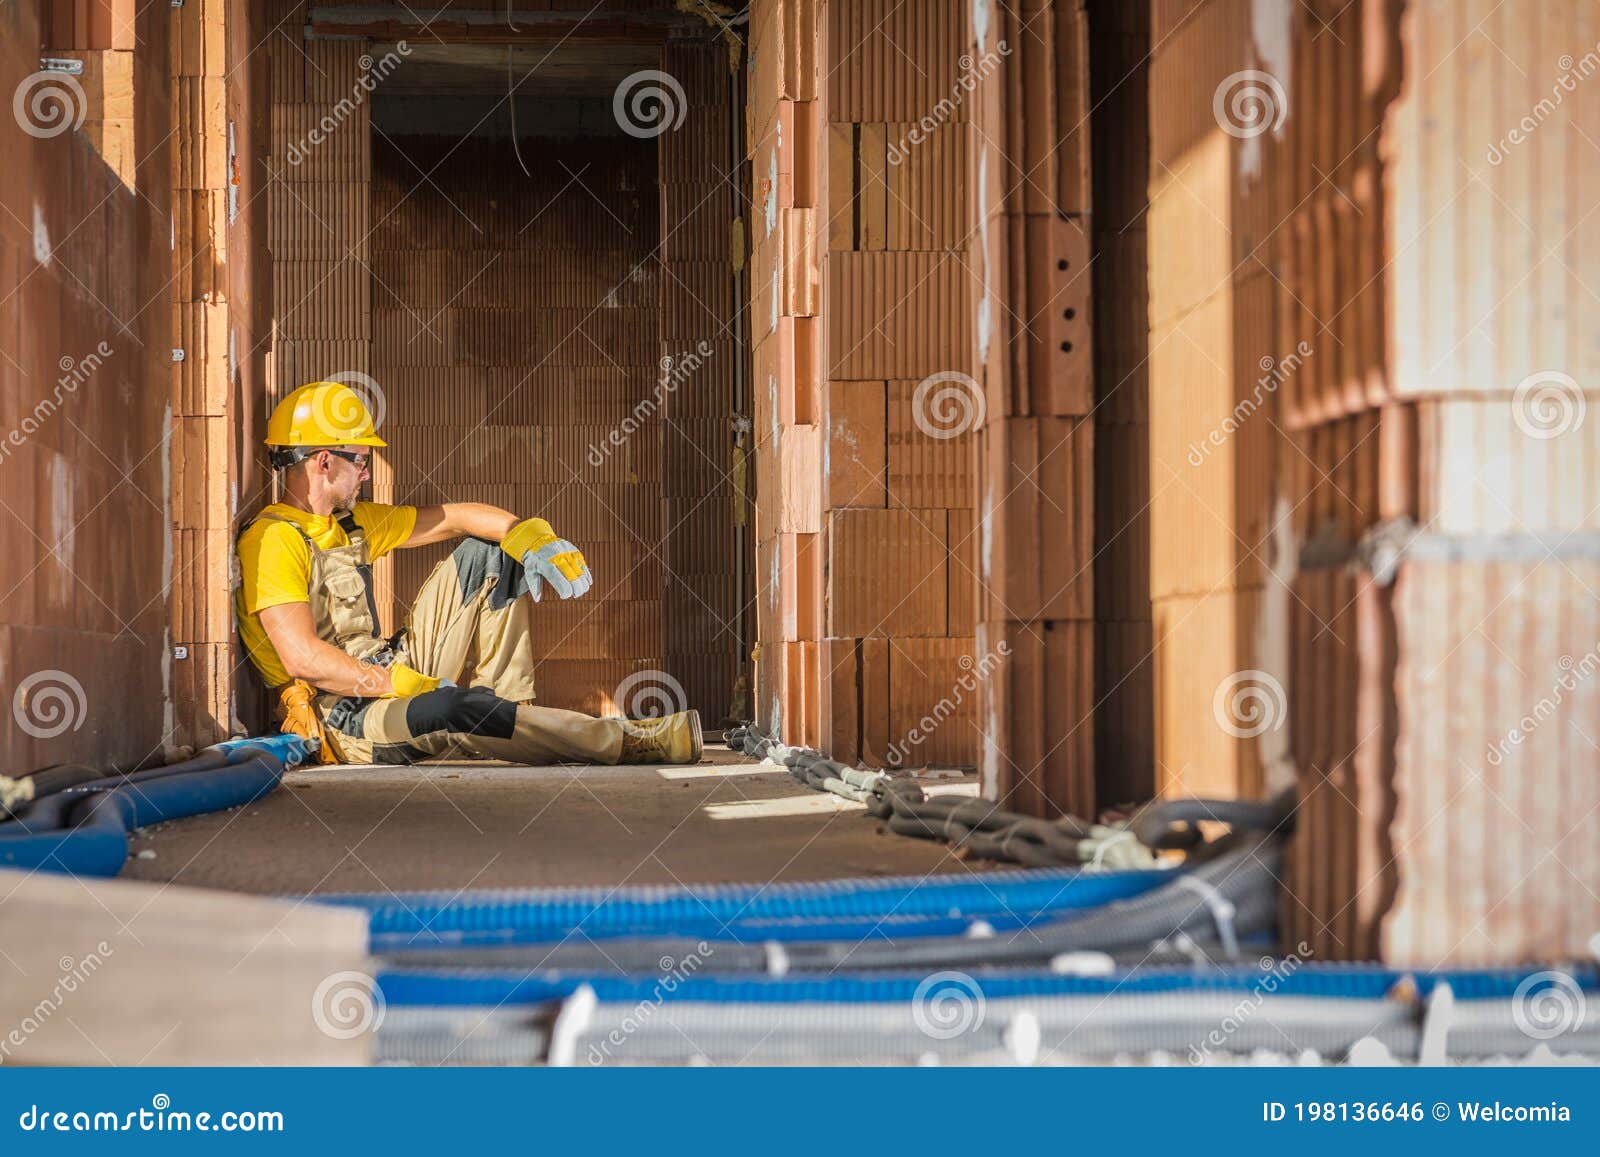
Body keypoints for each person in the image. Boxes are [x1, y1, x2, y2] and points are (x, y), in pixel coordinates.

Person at [233, 381, 701, 766]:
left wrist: (533, 537)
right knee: (452, 709)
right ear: (322, 460)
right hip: (347, 715)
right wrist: (404, 684)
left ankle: (509, 710)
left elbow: (458, 517)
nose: (367, 473)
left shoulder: (351, 524)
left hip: (390, 668)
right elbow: (304, 660)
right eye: (360, 460)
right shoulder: (274, 540)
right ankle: (630, 741)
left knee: (493, 551)